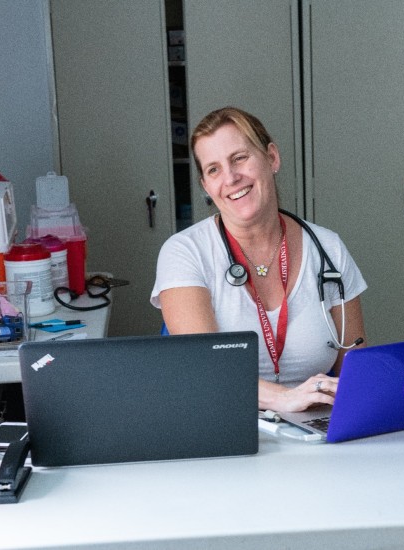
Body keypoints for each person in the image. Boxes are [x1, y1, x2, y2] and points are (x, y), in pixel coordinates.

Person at [151, 107, 367, 412]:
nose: (231, 178)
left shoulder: (328, 248)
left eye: (239, 158)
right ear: (206, 187)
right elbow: (207, 367)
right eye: (213, 169)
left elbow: (355, 372)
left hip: (314, 431)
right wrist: (284, 398)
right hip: (221, 427)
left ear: (272, 158)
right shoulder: (184, 252)